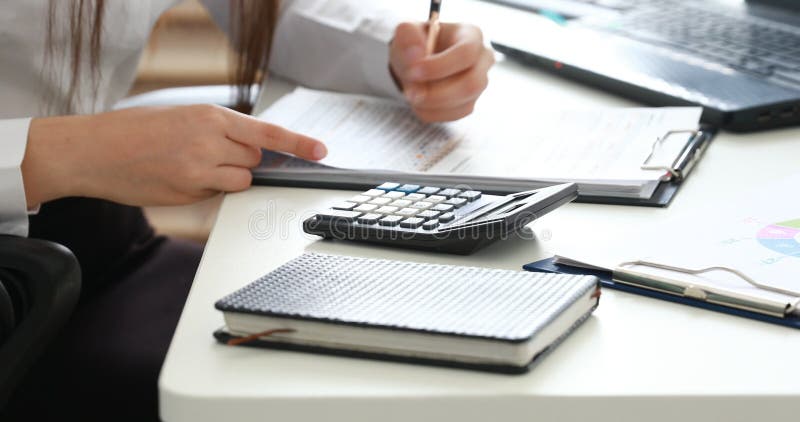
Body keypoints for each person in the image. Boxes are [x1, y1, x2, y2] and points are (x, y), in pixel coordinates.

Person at [0, 0, 494, 420]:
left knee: (401, 345)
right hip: (19, 299)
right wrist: (63, 155)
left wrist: (400, 53)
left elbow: (271, 10)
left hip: (102, 245)